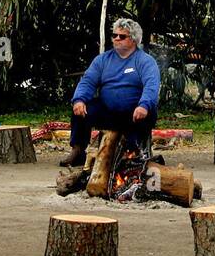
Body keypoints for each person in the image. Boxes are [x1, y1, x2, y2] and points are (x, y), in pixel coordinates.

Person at [60, 18, 160, 167]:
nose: (116, 39)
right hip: (107, 110)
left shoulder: (145, 61)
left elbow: (151, 86)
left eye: (122, 36)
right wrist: (79, 100)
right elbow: (88, 81)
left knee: (144, 115)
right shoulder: (102, 60)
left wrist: (144, 105)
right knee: (80, 110)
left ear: (133, 40)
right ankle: (78, 150)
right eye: (114, 35)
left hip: (134, 111)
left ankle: (135, 153)